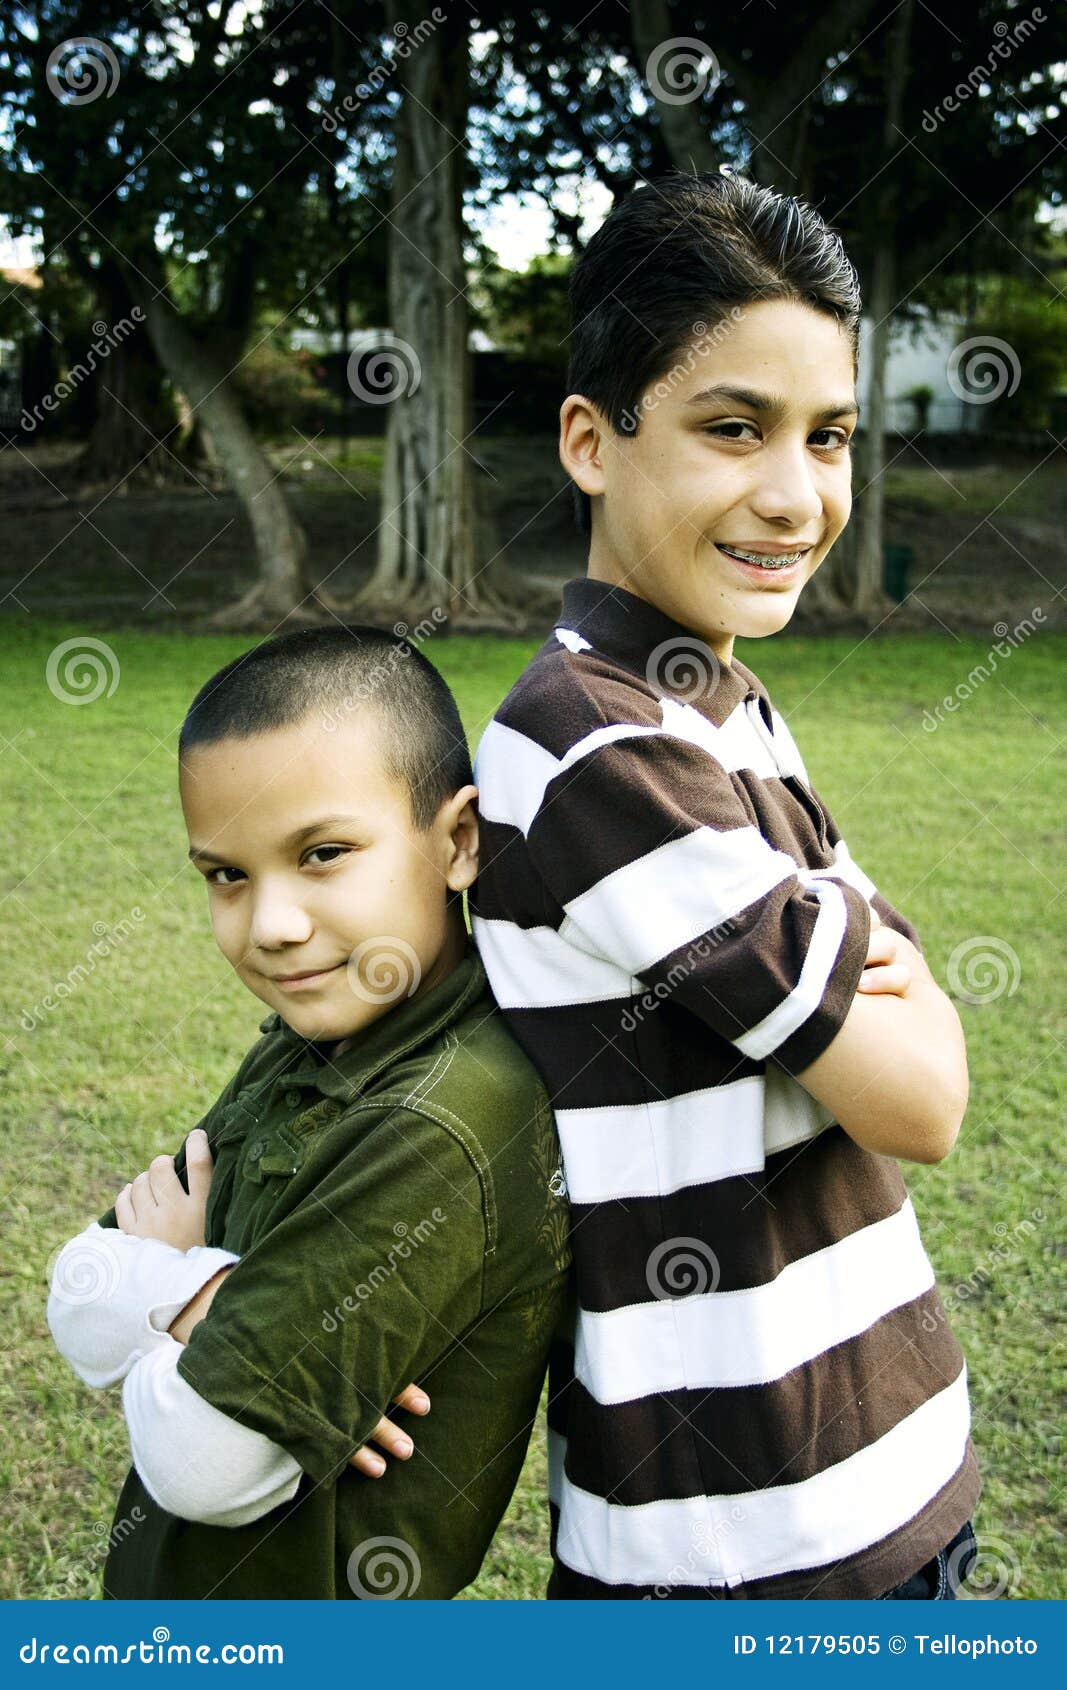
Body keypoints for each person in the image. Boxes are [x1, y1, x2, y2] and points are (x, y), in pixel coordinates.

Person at [469, 170, 980, 1600]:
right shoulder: (591, 744)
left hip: (887, 1474)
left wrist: (885, 970)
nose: (793, 493)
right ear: (589, 437)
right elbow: (920, 1097)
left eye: (826, 436)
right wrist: (886, 967)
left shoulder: (712, 698)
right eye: (730, 428)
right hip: (742, 1542)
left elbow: (891, 999)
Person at [48, 625, 570, 1600]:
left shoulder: (447, 1119)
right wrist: (212, 1305)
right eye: (225, 874)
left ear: (458, 839)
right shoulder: (319, 1036)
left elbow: (204, 1462)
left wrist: (168, 1283)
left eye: (323, 853)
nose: (271, 926)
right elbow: (75, 1293)